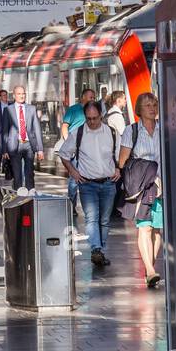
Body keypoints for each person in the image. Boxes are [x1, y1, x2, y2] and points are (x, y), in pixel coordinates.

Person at [59, 100, 120, 267]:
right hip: (87, 184)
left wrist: (118, 168)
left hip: (108, 183)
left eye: (95, 118)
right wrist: (73, 172)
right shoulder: (78, 133)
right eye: (89, 118)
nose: (92, 122)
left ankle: (100, 249)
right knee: (91, 218)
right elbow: (64, 154)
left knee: (105, 220)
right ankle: (96, 250)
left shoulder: (111, 132)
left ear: (101, 115)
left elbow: (120, 153)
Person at [118, 92, 163, 289]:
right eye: (147, 105)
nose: (152, 108)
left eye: (154, 104)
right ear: (139, 109)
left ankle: (149, 269)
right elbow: (122, 161)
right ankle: (151, 270)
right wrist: (146, 169)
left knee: (157, 230)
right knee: (145, 227)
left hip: (163, 186)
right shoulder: (131, 131)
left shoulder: (164, 129)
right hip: (144, 186)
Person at [60, 86, 97, 219]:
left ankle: (90, 207)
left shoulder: (94, 110)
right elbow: (65, 126)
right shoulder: (74, 109)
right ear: (83, 97)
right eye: (90, 97)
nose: (93, 99)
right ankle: (71, 205)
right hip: (75, 149)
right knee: (74, 179)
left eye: (94, 97)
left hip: (89, 149)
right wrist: (68, 142)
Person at [1, 85, 44, 191]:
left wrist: (40, 149)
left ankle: (30, 196)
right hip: (15, 145)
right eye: (19, 94)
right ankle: (18, 197)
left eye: (23, 93)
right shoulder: (8, 110)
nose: (22, 96)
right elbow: (5, 131)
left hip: (29, 144)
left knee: (30, 172)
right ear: (14, 96)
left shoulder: (31, 109)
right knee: (17, 174)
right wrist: (5, 149)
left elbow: (37, 129)